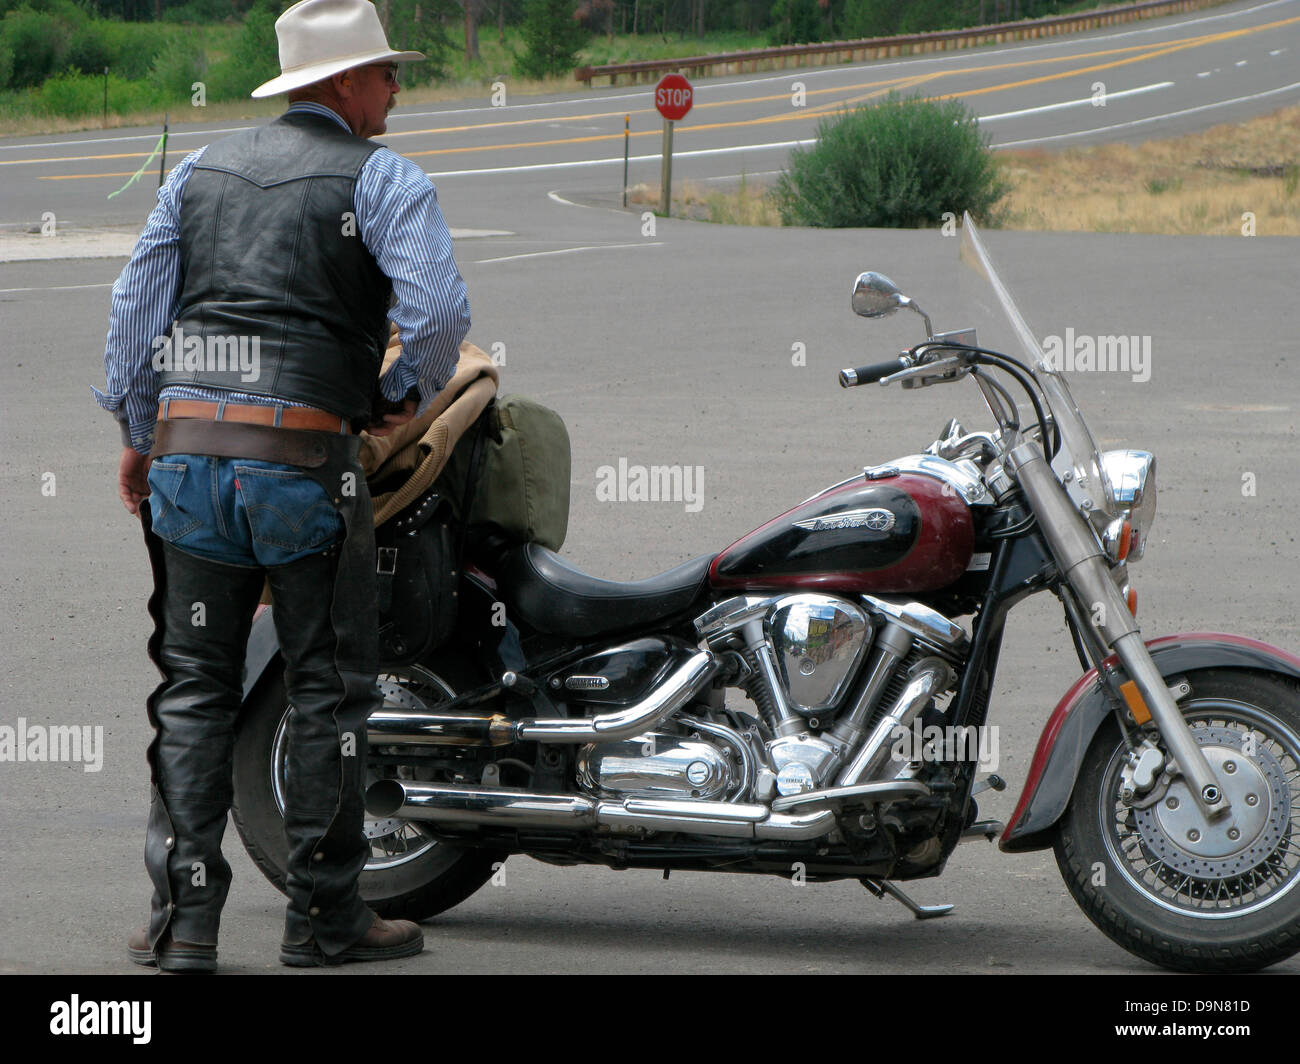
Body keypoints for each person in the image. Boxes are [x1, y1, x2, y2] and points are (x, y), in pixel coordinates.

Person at [94, 0, 471, 971]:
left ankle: (185, 929)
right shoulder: (383, 178)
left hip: (188, 466)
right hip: (303, 471)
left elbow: (132, 314)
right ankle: (323, 920)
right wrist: (390, 399)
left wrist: (142, 431)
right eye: (386, 71)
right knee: (326, 696)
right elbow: (436, 316)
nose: (397, 85)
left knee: (194, 691)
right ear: (343, 84)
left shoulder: (199, 172)